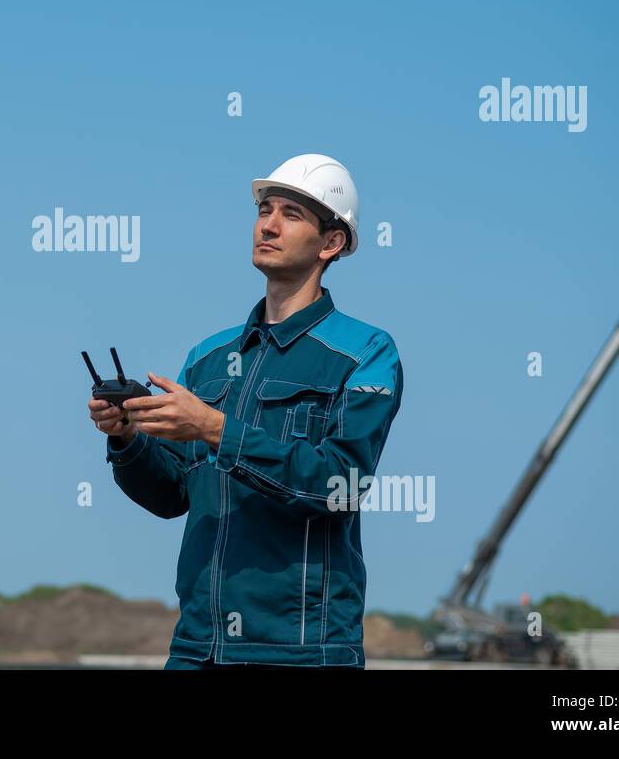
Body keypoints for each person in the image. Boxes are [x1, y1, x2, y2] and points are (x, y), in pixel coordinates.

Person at [88, 154, 404, 669]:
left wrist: (216, 429)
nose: (269, 224)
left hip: (302, 653)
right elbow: (171, 495)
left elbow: (338, 483)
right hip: (196, 649)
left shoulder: (366, 351)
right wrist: (126, 440)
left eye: (292, 214)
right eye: (265, 209)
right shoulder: (208, 359)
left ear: (332, 242)